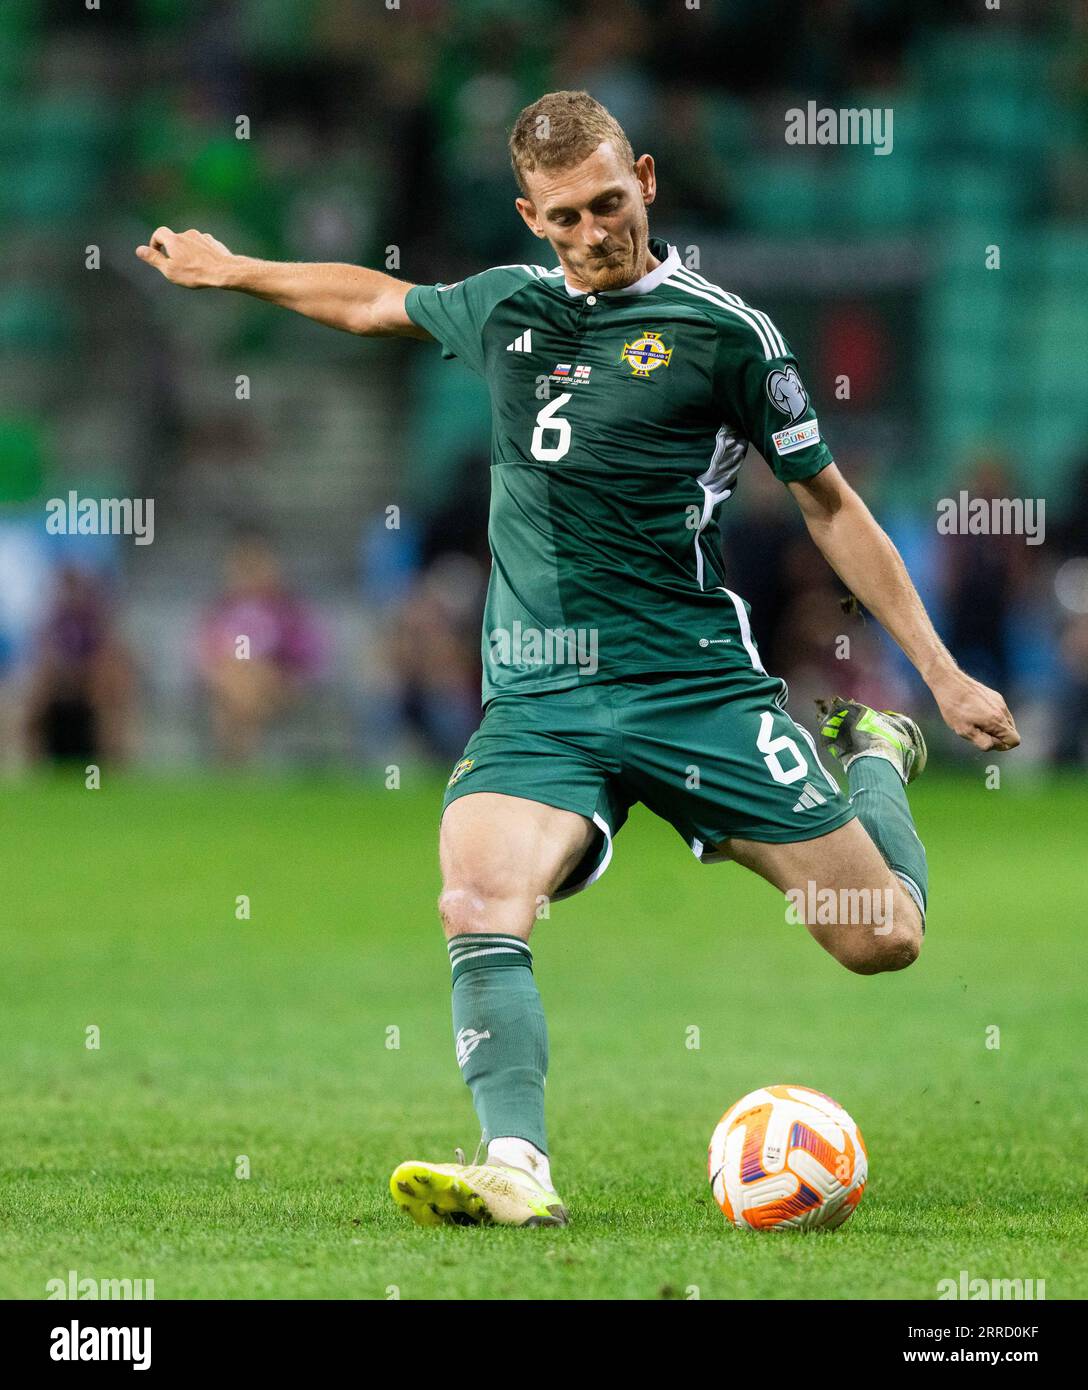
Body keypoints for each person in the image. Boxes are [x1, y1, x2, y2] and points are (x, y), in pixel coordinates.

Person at [136, 90, 1019, 1229]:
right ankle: (515, 1162)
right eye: (563, 217)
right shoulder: (502, 307)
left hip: (694, 690)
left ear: (645, 178)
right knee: (477, 892)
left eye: (608, 203)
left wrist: (939, 674)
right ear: (529, 214)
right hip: (539, 701)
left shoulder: (727, 336)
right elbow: (370, 301)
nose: (592, 233)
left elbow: (831, 507)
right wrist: (237, 268)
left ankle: (877, 760)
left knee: (878, 938)